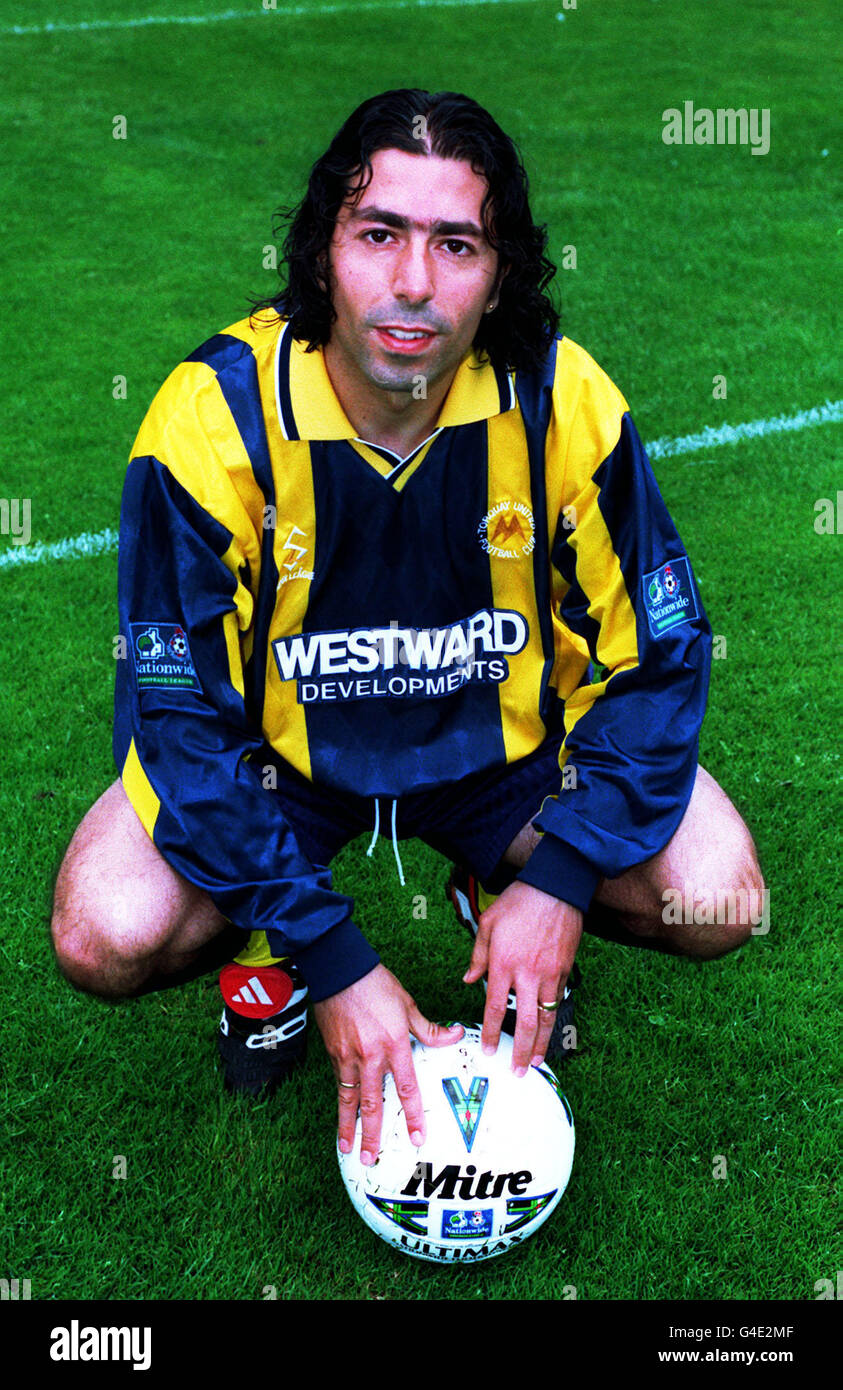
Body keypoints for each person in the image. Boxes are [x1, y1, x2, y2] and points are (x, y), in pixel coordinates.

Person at [51, 89, 765, 1169]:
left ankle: (500, 886)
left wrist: (563, 875)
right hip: (281, 770)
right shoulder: (212, 419)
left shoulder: (560, 400)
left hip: (508, 761)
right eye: (379, 233)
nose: (415, 284)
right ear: (323, 247)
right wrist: (332, 955)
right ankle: (272, 953)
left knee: (720, 895)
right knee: (102, 927)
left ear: (504, 271)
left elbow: (656, 657)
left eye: (458, 244)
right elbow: (181, 721)